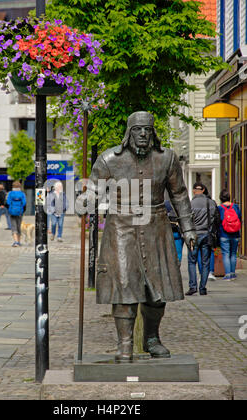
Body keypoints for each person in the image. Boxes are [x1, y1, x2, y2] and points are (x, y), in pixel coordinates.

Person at [76, 111, 196, 362]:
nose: (143, 134)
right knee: (124, 287)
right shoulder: (109, 159)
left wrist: (188, 229)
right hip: (121, 227)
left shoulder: (167, 159)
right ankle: (125, 344)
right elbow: (94, 191)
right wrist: (85, 201)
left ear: (154, 133)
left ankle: (151, 338)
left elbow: (180, 195)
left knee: (157, 291)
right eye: (138, 130)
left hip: (157, 227)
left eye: (148, 130)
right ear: (128, 133)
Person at [186, 182, 220, 296]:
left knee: (192, 261)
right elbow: (216, 219)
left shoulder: (190, 204)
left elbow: (186, 221)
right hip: (207, 234)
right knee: (205, 262)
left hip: (194, 235)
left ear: (194, 191)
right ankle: (202, 288)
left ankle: (192, 287)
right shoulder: (211, 203)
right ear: (204, 190)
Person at [218, 189, 242, 281]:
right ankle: (233, 274)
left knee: (226, 254)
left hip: (224, 234)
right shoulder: (236, 207)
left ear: (221, 198)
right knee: (233, 254)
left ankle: (227, 274)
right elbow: (239, 219)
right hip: (235, 234)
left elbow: (218, 221)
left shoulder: (220, 208)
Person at [6, 181, 26, 247]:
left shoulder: (10, 193)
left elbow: (8, 202)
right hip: (20, 212)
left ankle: (16, 242)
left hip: (12, 212)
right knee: (19, 226)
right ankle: (19, 242)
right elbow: (24, 203)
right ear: (19, 186)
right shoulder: (22, 194)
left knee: (14, 227)